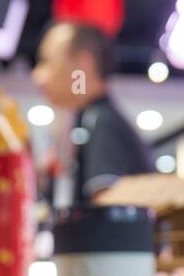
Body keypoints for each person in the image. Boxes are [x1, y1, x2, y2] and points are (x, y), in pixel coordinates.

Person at [31, 21, 153, 208]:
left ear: (81, 66)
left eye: (46, 61)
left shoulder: (99, 122)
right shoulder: (85, 121)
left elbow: (107, 217)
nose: (38, 76)